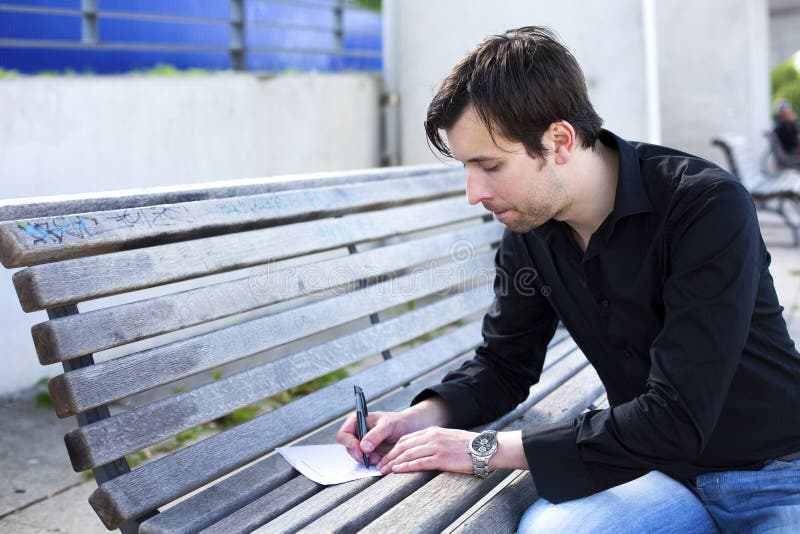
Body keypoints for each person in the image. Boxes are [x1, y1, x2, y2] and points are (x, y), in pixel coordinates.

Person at [336, 26, 800, 532]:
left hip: (776, 474)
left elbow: (676, 416)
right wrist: (426, 416)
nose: (474, 192)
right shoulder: (530, 223)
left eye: (489, 165)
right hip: (658, 475)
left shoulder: (705, 206)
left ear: (559, 140)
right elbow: (505, 364)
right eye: (468, 168)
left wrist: (484, 447)